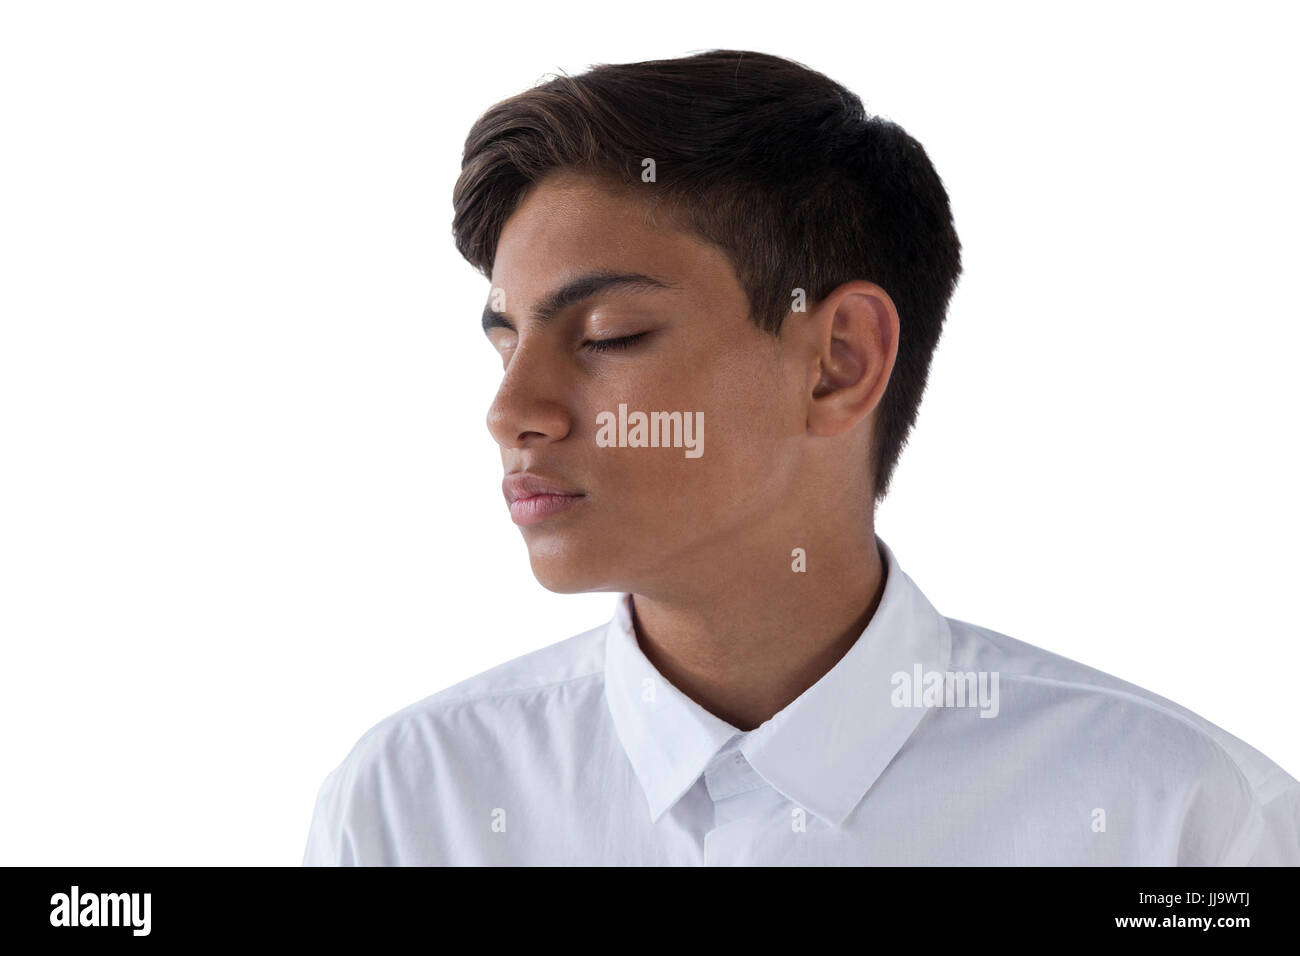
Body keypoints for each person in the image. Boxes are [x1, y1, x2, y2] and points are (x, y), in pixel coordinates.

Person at [302, 49, 1300, 865]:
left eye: (605, 335)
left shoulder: (1183, 826)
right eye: (506, 339)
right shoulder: (410, 806)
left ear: (836, 363)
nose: (510, 409)